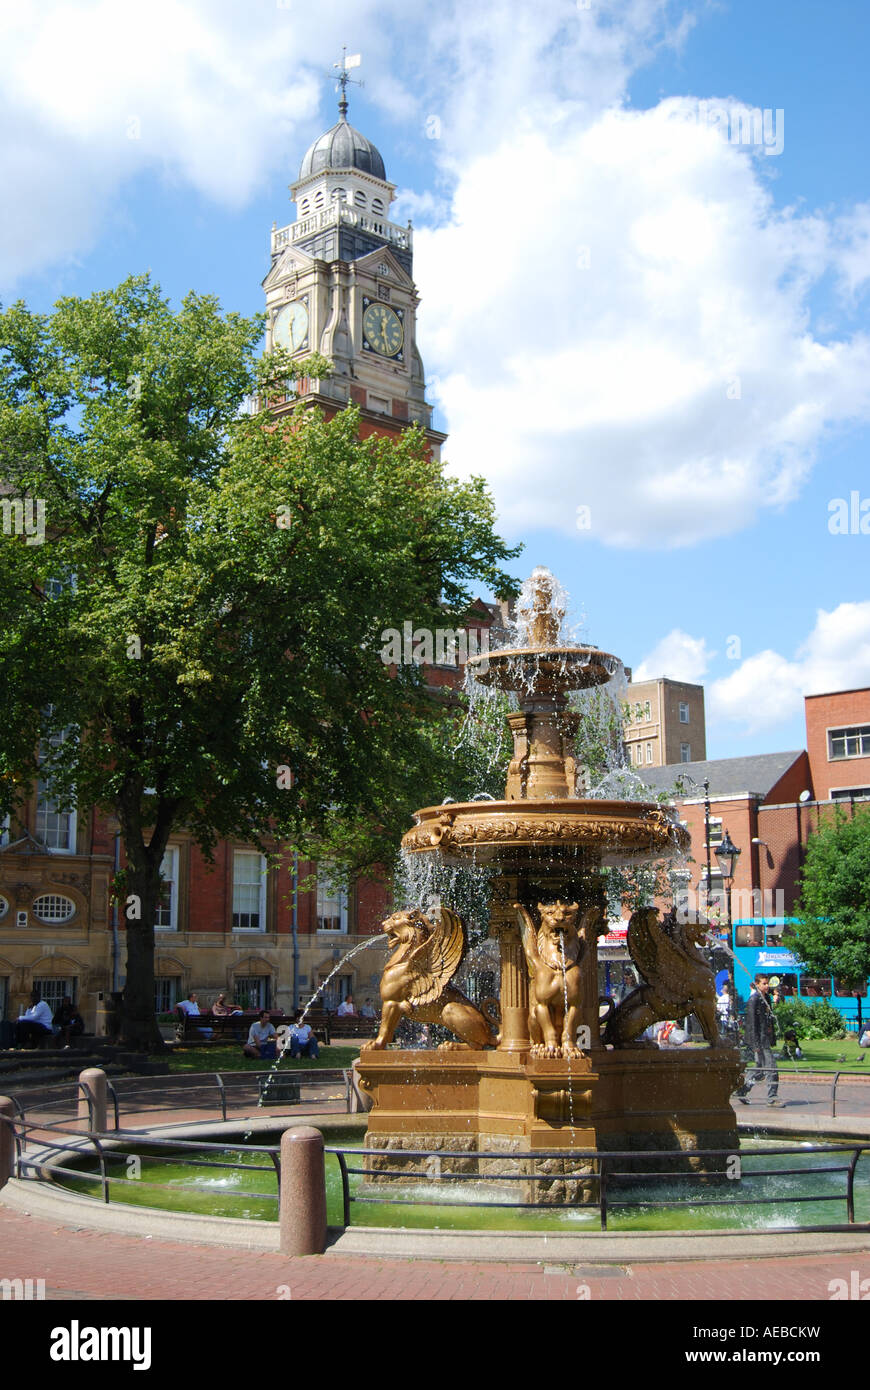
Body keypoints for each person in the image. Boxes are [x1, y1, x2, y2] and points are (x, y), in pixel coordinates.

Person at [736, 975, 780, 1105]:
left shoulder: (766, 998)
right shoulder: (753, 1000)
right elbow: (751, 1023)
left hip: (764, 1038)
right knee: (772, 1068)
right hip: (759, 1040)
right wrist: (755, 1044)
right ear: (757, 984)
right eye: (764, 983)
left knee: (760, 1070)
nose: (767, 986)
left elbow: (768, 1019)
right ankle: (772, 1098)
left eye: (767, 984)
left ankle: (742, 1089)